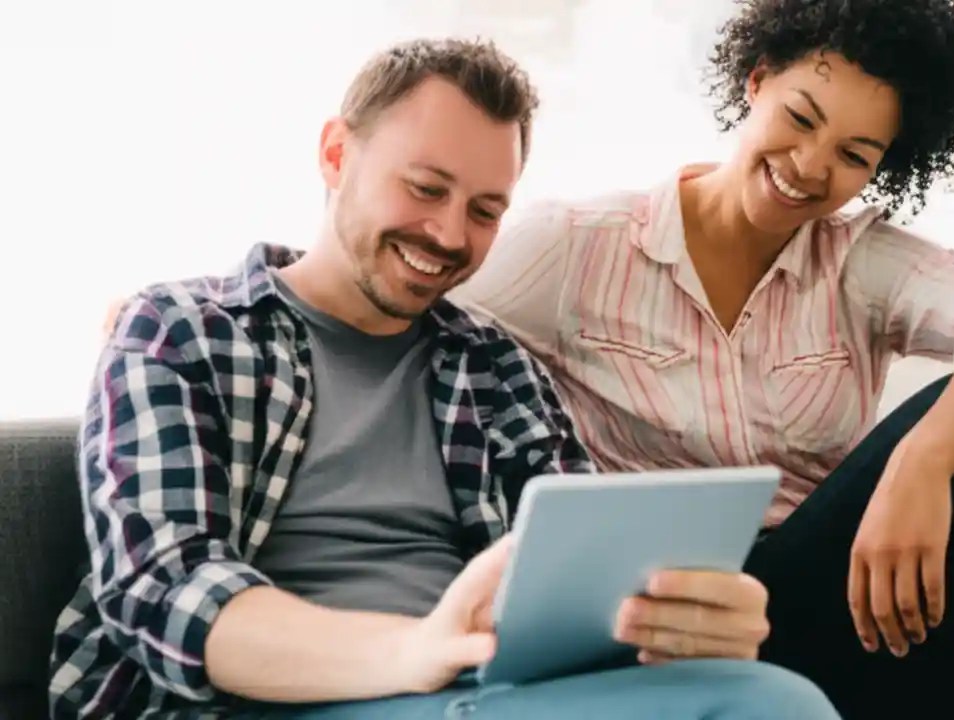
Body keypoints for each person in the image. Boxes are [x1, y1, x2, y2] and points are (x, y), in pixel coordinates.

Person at [446, 0, 954, 718]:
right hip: (706, 629)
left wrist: (924, 458)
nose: (812, 168)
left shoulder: (858, 263)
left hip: (880, 622)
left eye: (856, 155)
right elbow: (421, 330)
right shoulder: (575, 247)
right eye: (802, 118)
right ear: (756, 77)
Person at [50, 38, 839, 720]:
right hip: (265, 700)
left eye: (486, 210)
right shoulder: (180, 331)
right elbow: (163, 590)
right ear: (336, 154)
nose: (449, 235)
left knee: (761, 692)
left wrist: (678, 623)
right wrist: (414, 649)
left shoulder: (494, 366)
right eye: (425, 189)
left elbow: (579, 578)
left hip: (480, 692)